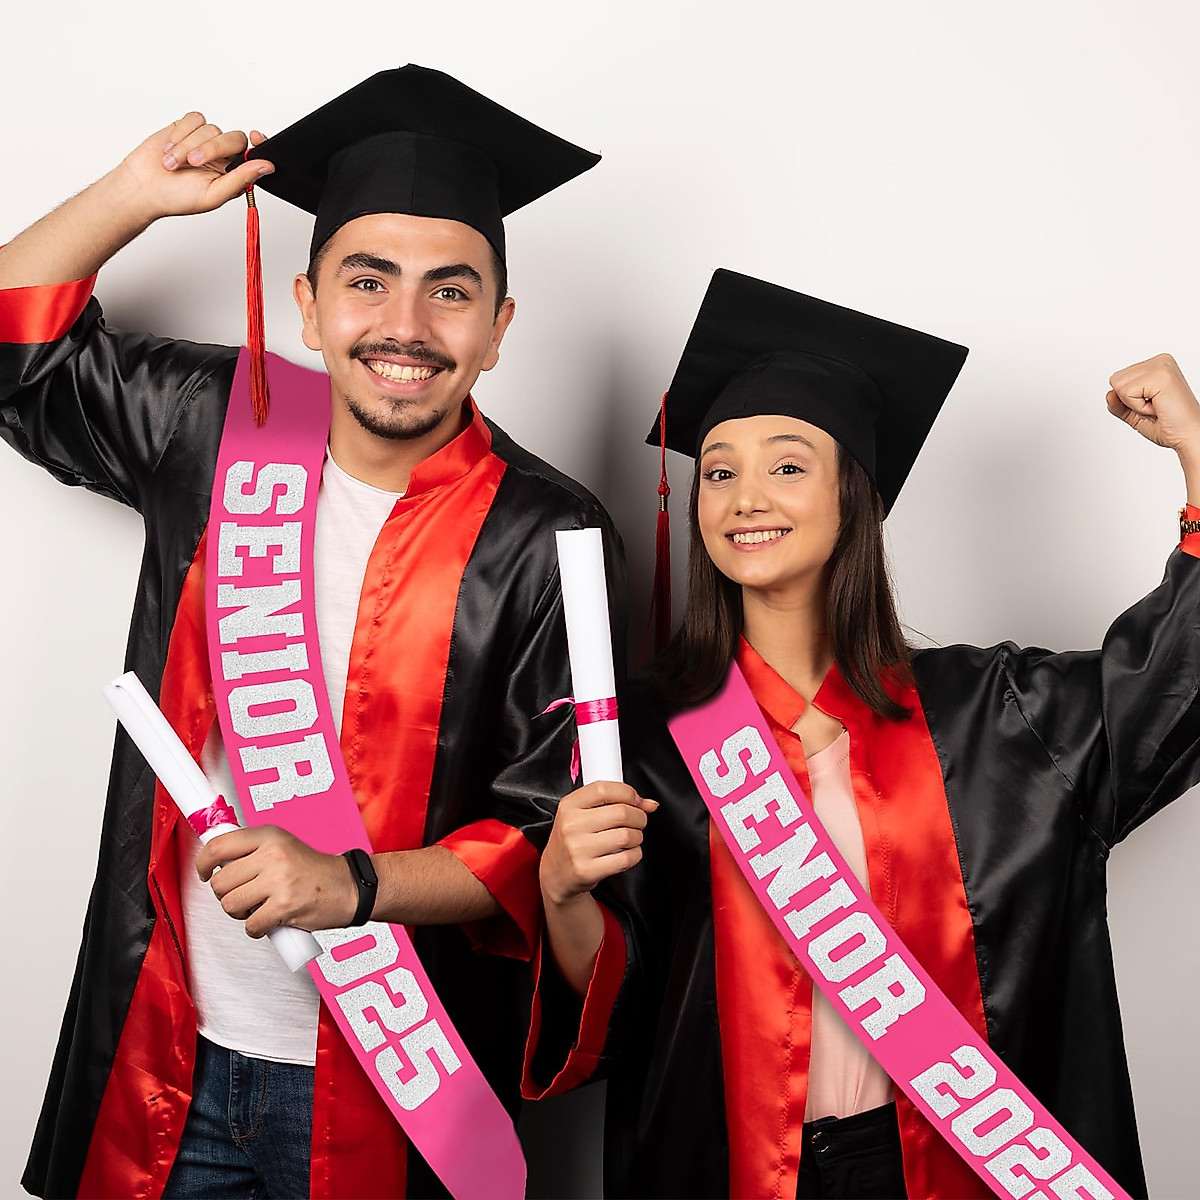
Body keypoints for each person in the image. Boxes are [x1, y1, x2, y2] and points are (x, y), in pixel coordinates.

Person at [1, 66, 623, 1199]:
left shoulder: (550, 533)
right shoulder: (215, 425)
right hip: (167, 1050)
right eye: (368, 281)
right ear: (306, 301)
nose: (404, 326)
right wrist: (130, 195)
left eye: (450, 291)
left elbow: (548, 837)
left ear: (498, 328)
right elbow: (13, 351)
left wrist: (352, 886)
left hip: (392, 1080)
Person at [525, 268, 1200, 1199]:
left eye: (788, 464)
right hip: (741, 1170)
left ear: (856, 497)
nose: (743, 496)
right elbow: (627, 1003)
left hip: (950, 1163)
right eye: (718, 471)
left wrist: (1199, 454)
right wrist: (562, 891)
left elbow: (1172, 686)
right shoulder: (647, 739)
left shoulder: (996, 714)